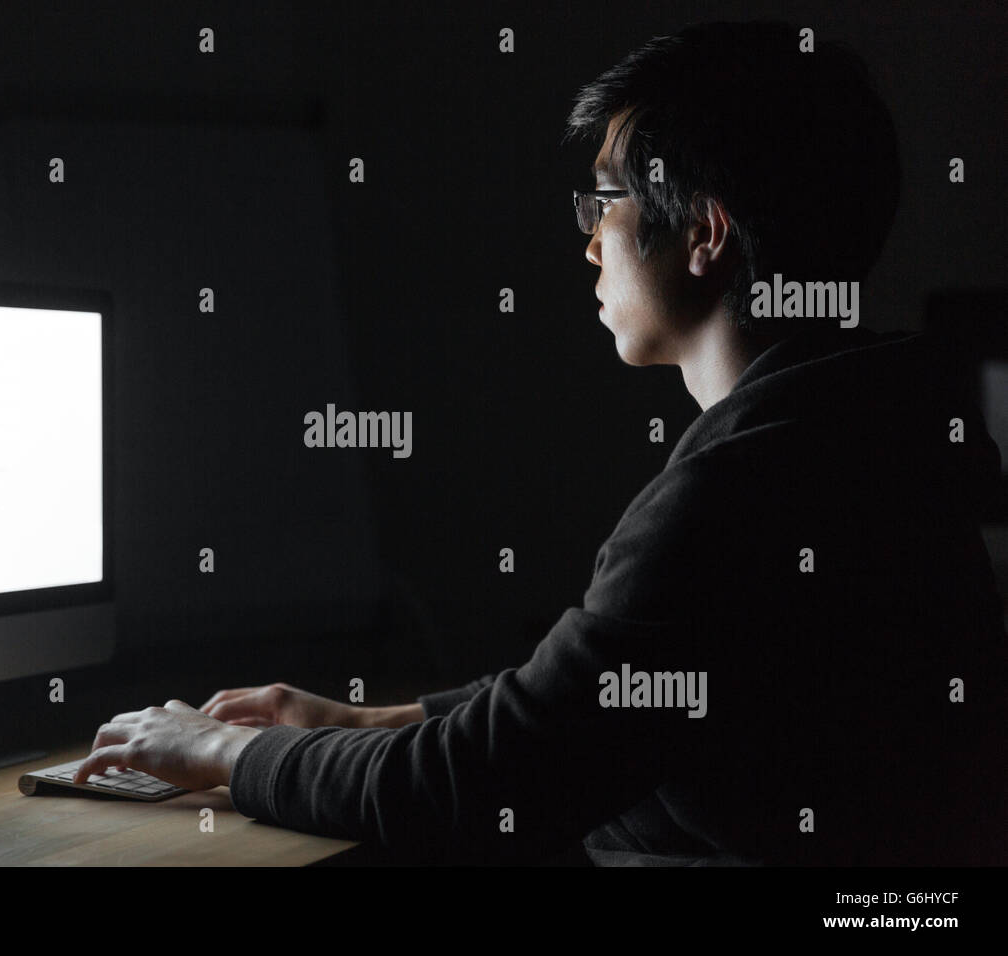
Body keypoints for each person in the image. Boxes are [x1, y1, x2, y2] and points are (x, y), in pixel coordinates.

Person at [74, 21, 1007, 865]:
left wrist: (228, 753)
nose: (591, 246)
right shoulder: (872, 435)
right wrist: (372, 717)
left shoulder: (738, 492)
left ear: (705, 234)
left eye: (605, 204)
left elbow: (491, 783)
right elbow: (586, 708)